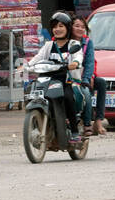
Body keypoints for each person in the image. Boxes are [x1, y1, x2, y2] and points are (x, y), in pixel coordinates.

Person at [30, 12, 84, 143]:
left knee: (67, 97)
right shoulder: (48, 45)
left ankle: (74, 131)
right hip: (47, 80)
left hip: (65, 80)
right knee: (33, 95)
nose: (57, 29)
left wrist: (75, 63)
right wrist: (25, 66)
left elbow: (78, 57)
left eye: (61, 26)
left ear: (67, 28)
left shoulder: (73, 44)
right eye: (54, 26)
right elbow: (37, 58)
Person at [72, 16, 106, 135]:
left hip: (84, 75)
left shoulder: (87, 42)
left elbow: (90, 62)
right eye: (77, 26)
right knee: (85, 92)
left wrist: (88, 77)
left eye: (83, 27)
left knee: (100, 83)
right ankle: (86, 122)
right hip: (70, 75)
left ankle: (98, 120)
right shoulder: (64, 41)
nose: (80, 29)